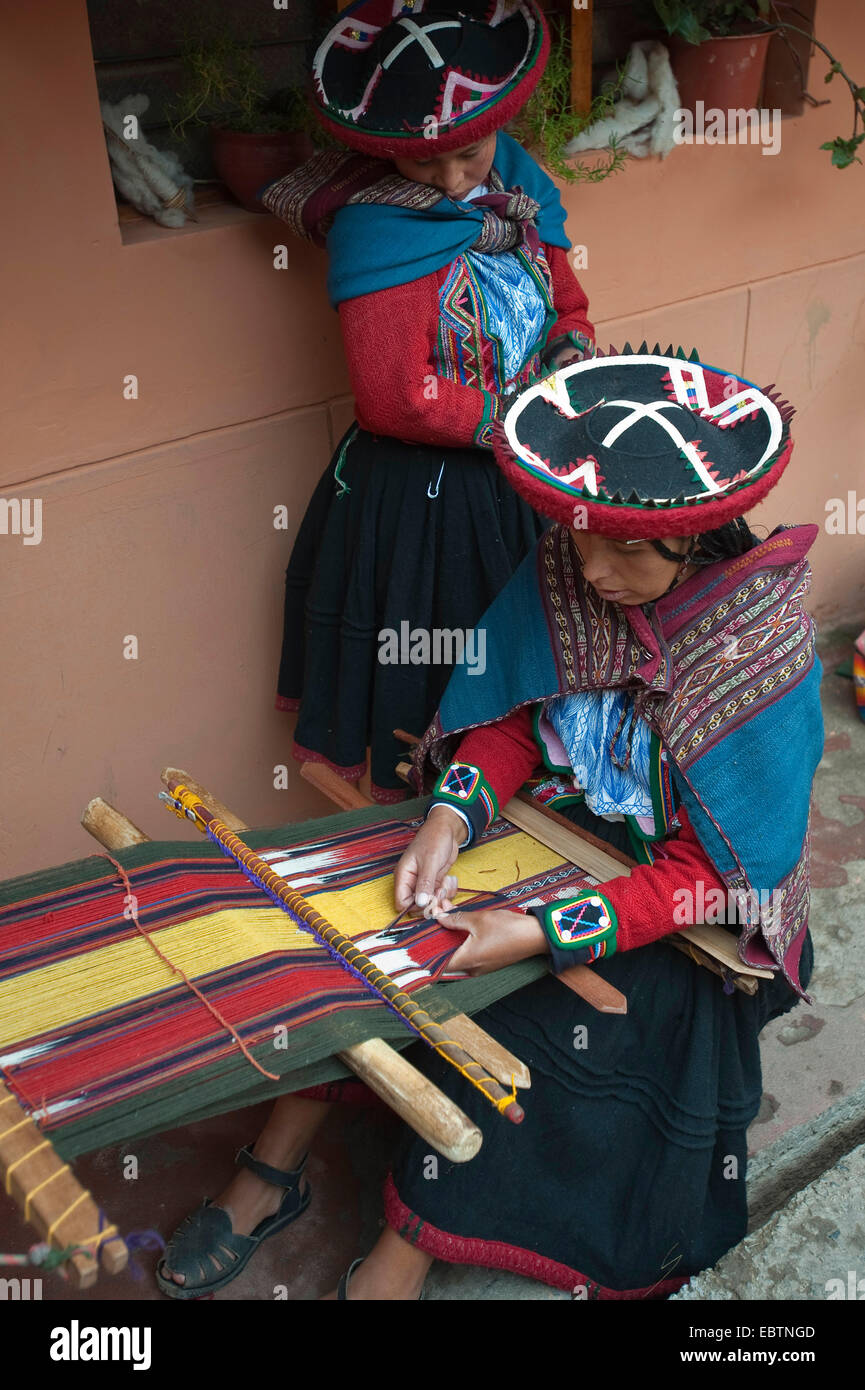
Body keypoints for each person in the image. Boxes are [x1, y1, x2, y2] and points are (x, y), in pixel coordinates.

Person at [158, 348, 823, 1300]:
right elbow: (512, 716)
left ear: (698, 532)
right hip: (543, 833)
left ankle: (404, 1249)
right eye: (578, 538)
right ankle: (270, 1164)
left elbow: (715, 874)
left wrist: (539, 929)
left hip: (682, 914)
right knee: (366, 933)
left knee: (541, 1018)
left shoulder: (760, 641)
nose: (591, 570)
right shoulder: (571, 558)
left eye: (626, 550)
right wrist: (448, 815)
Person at [260, 0, 594, 801]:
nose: (451, 179)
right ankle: (433, 839)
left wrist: (569, 357)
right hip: (428, 502)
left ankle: (526, 827)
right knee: (441, 668)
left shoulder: (518, 187)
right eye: (424, 165)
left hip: (529, 472)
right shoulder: (377, 228)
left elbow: (570, 305)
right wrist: (519, 425)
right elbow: (394, 399)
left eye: (469, 153)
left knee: (538, 676)